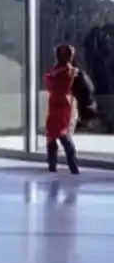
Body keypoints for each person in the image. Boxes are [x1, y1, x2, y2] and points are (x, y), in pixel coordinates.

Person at [43, 44, 81, 174]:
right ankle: (69, 165)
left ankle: (57, 164)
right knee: (59, 133)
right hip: (61, 103)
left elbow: (50, 82)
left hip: (58, 103)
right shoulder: (67, 71)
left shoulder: (58, 71)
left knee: (57, 133)